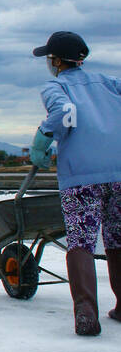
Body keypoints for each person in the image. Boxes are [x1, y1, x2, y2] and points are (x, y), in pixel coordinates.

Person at [29, 31, 121, 335]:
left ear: (56, 60)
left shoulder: (56, 86)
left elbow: (66, 112)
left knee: (81, 242)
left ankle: (86, 315)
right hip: (119, 175)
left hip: (81, 178)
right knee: (117, 239)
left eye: (49, 58)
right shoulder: (109, 83)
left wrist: (43, 139)